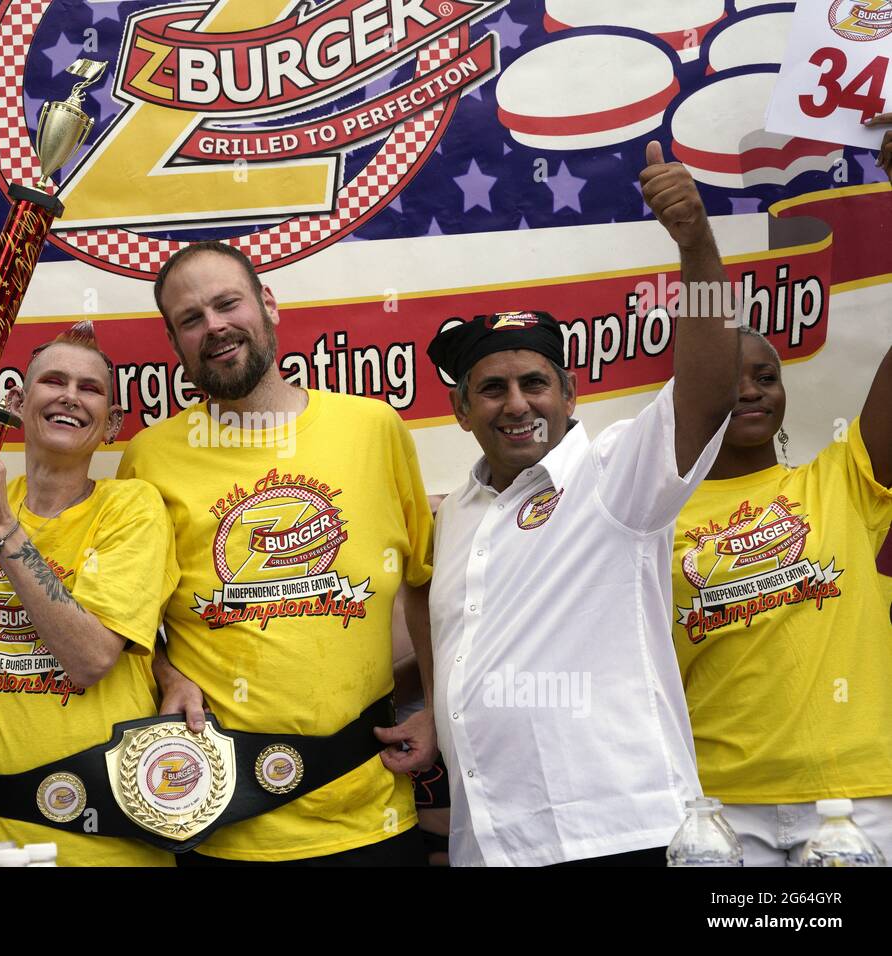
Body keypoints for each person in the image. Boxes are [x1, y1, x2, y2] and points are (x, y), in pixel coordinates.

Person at [425, 142, 740, 866]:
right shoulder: (458, 514)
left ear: (571, 395)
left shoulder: (613, 476)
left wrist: (696, 244)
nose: (517, 404)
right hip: (495, 844)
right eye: (491, 389)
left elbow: (709, 392)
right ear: (460, 411)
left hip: (620, 837)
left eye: (535, 383)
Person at [118, 241, 436, 866]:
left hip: (371, 815)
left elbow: (426, 584)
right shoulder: (149, 459)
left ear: (268, 305)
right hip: (221, 824)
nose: (213, 327)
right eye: (190, 319)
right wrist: (167, 673)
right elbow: (122, 624)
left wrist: (437, 712)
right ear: (175, 343)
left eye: (227, 303)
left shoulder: (374, 429)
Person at [667, 120, 892, 864]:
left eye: (767, 376)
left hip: (855, 801)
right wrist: (694, 242)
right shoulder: (649, 518)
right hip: (716, 808)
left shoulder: (842, 479)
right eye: (728, 381)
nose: (750, 392)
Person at [0, 321, 178, 866]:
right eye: (54, 382)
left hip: (100, 846)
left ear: (113, 424)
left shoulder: (131, 507)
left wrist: (4, 530)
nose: (70, 397)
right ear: (17, 402)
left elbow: (91, 658)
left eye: (90, 389)